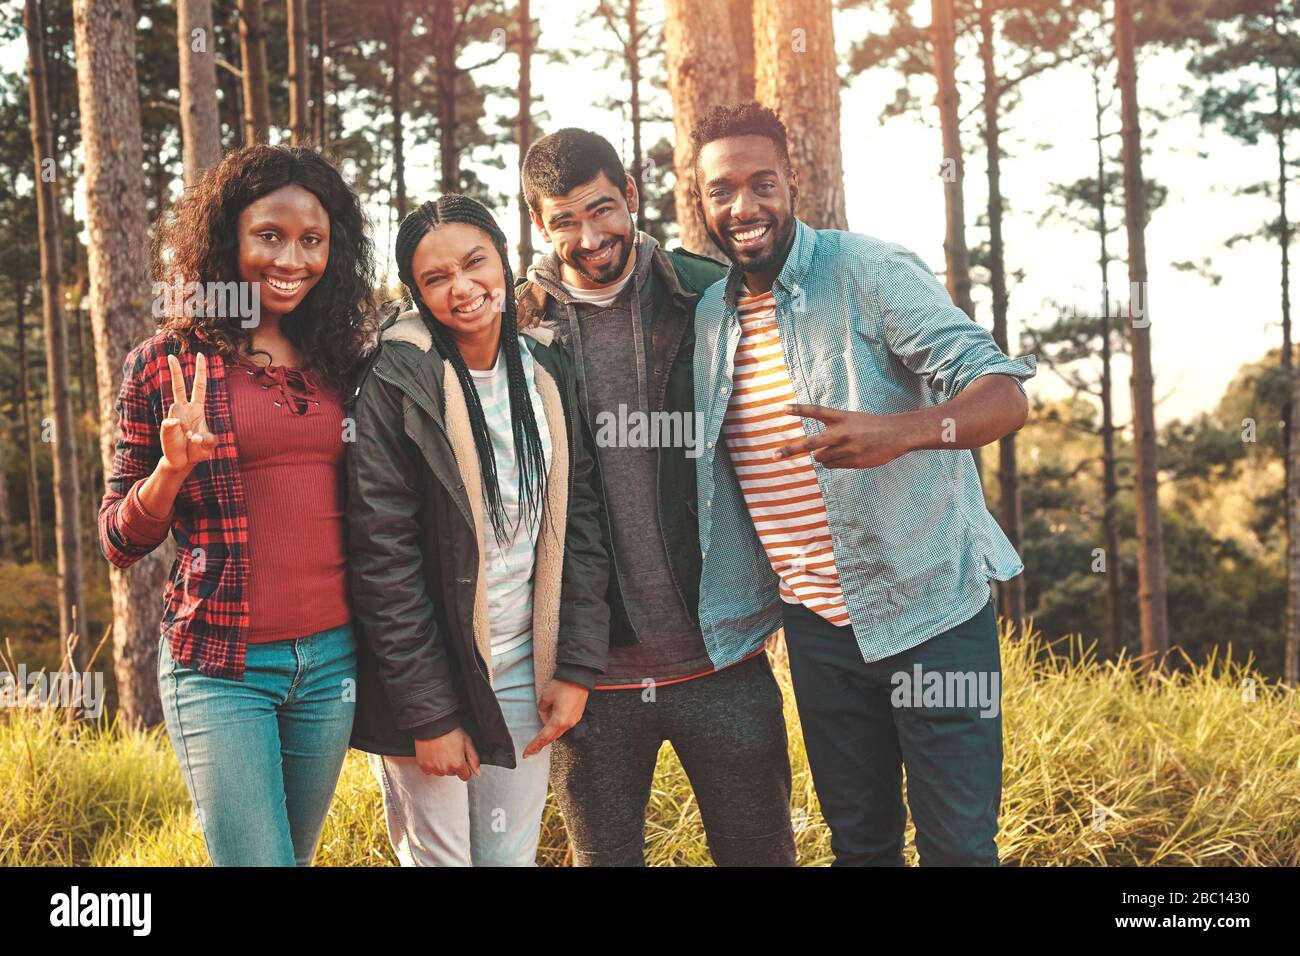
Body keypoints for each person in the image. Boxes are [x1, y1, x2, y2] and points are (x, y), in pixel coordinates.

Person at [690, 101, 1037, 866]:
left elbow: (1003, 393)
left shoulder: (870, 272)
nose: (743, 207)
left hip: (932, 619)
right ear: (701, 199)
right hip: (817, 631)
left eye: (762, 184)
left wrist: (900, 432)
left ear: (792, 183)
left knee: (958, 849)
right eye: (722, 191)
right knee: (862, 846)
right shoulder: (711, 318)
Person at [517, 128, 796, 866]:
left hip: (724, 655)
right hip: (590, 678)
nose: (589, 236)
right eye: (563, 221)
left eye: (602, 209)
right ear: (540, 227)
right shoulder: (516, 331)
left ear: (632, 197)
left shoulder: (712, 292)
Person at [98, 144, 377, 866]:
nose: (292, 257)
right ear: (229, 238)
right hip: (220, 666)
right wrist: (168, 472)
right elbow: (119, 539)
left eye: (311, 240)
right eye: (270, 236)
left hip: (331, 663)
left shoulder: (343, 357)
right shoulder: (166, 363)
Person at [346, 194, 610, 867]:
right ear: (416, 291)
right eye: (436, 278)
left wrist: (575, 665)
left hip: (525, 670)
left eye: (474, 264)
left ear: (503, 260)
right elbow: (384, 561)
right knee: (441, 861)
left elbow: (578, 524)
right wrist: (430, 716)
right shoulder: (396, 381)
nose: (462, 288)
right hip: (431, 676)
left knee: (507, 858)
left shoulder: (546, 370)